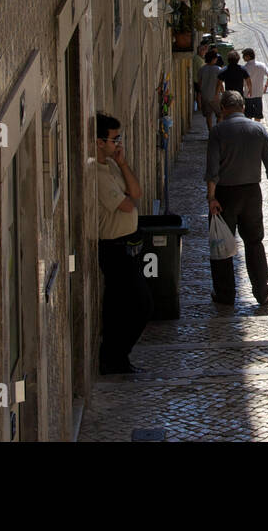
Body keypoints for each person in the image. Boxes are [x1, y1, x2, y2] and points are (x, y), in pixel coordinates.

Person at [206, 91, 268, 308]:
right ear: (243, 107)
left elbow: (212, 170)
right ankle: (261, 293)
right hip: (251, 194)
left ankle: (225, 294)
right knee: (254, 243)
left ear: (223, 108)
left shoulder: (218, 131)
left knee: (222, 244)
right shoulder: (259, 129)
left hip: (225, 194)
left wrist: (211, 198)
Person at [95, 113, 151, 374]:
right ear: (98, 141)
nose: (118, 143)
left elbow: (137, 193)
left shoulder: (112, 166)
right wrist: (129, 195)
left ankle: (116, 358)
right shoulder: (97, 174)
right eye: (114, 139)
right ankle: (114, 356)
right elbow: (129, 203)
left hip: (127, 245)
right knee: (139, 305)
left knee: (122, 304)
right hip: (114, 248)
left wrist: (124, 164)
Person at [241, 48, 268, 121]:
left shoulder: (245, 68)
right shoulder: (262, 65)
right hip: (258, 94)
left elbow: (243, 82)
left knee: (248, 115)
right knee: (258, 116)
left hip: (248, 95)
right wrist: (265, 86)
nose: (243, 57)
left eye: (244, 56)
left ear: (248, 56)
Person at [198, 49, 224, 131]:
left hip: (205, 96)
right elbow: (220, 83)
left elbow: (199, 83)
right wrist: (222, 93)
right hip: (215, 96)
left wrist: (199, 96)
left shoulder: (202, 69)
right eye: (216, 58)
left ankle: (211, 132)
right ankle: (217, 131)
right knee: (220, 114)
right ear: (213, 59)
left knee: (208, 115)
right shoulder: (218, 69)